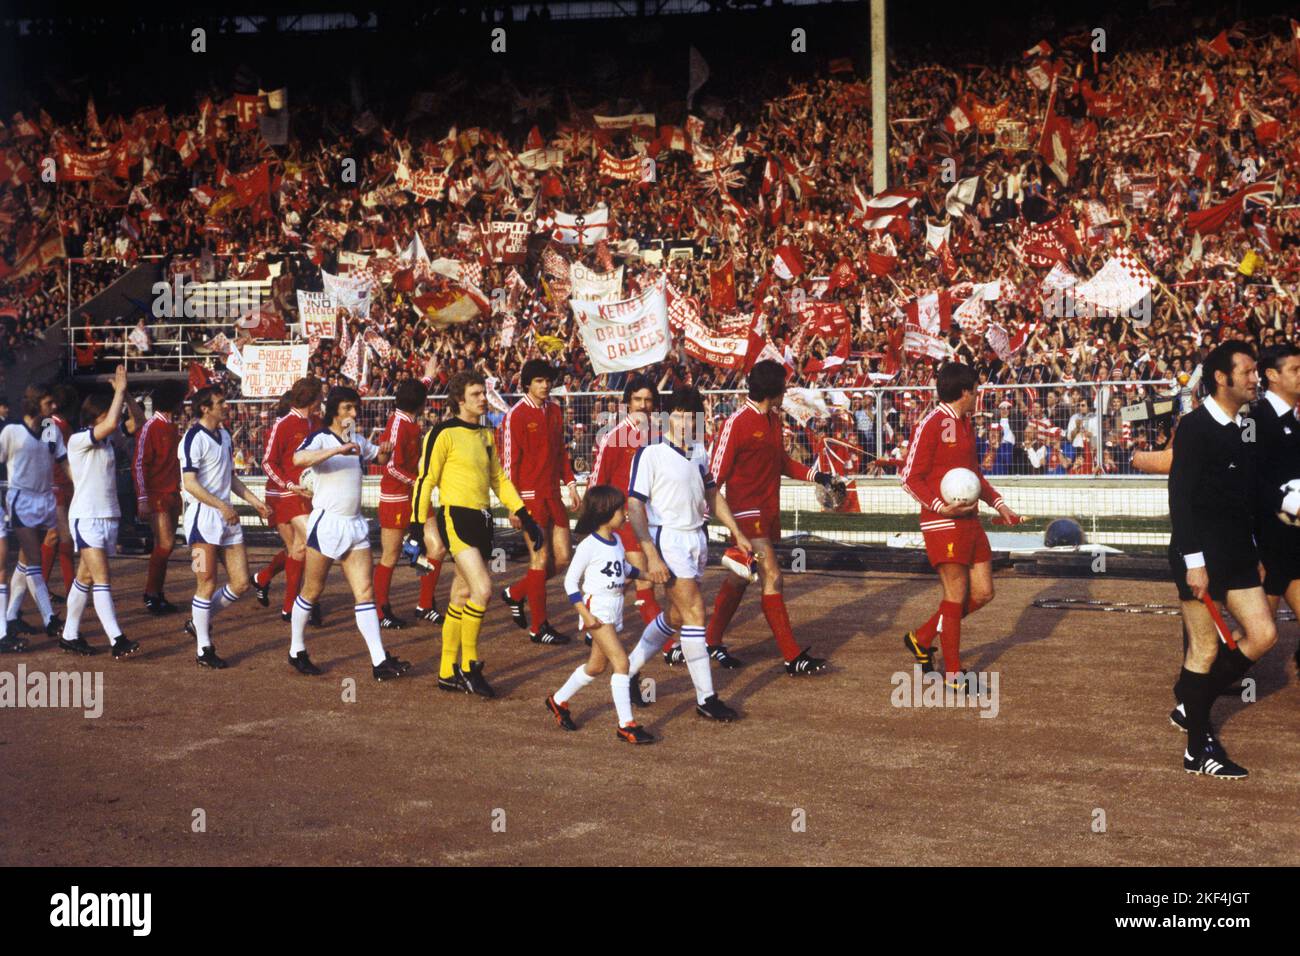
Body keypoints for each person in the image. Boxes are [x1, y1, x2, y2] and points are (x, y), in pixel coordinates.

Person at [1167, 341, 1279, 779]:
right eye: (1248, 371)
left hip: (1237, 554)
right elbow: (1182, 499)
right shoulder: (1194, 427)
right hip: (1199, 557)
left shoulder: (1244, 426)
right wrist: (1194, 562)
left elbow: (1244, 499)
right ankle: (1197, 750)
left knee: (1264, 633)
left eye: (1256, 371)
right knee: (1206, 647)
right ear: (1221, 378)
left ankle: (1192, 704)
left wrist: (1257, 553)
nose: (1256, 378)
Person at [701, 360, 838, 674]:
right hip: (745, 514)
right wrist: (711, 518)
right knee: (772, 576)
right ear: (772, 391)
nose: (787, 391)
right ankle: (792, 656)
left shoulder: (774, 420)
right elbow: (714, 475)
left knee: (738, 578)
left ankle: (711, 640)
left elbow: (782, 463)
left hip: (766, 511)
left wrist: (818, 476)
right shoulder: (737, 422)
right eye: (784, 387)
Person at [411, 370, 543, 697]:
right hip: (456, 518)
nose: (483, 398)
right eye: (476, 394)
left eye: (483, 393)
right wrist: (416, 527)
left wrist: (526, 516)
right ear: (459, 400)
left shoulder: (485, 434)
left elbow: (499, 479)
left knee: (460, 596)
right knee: (482, 590)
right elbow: (424, 480)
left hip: (484, 520)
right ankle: (469, 666)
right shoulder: (442, 433)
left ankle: (446, 672)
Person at [625, 385, 751, 722]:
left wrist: (737, 531)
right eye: (676, 414)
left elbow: (712, 494)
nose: (682, 421)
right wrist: (650, 552)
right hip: (667, 539)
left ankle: (629, 670)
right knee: (696, 611)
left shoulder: (698, 451)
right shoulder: (649, 453)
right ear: (667, 416)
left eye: (688, 415)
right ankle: (706, 698)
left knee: (678, 616)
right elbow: (634, 505)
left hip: (697, 538)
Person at [900, 362, 1021, 688]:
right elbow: (909, 478)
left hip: (970, 521)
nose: (978, 395)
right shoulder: (931, 423)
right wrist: (941, 506)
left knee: (983, 593)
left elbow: (973, 475)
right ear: (964, 392)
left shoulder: (965, 423)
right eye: (976, 390)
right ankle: (953, 673)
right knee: (954, 594)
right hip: (942, 522)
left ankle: (923, 637)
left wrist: (999, 503)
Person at [288, 385, 411, 681]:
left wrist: (383, 452)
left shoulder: (355, 437)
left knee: (365, 592)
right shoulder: (320, 437)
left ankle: (379, 661)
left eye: (355, 408)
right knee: (312, 590)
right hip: (327, 524)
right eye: (347, 408)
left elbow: (378, 459)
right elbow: (297, 459)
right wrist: (336, 449)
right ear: (333, 411)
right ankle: (296, 649)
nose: (354, 413)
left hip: (355, 524)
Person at [545, 484, 654, 744]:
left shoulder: (616, 540)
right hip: (597, 610)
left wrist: (649, 575)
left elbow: (624, 568)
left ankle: (558, 701)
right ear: (606, 512)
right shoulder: (587, 545)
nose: (625, 514)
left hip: (614, 609)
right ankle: (626, 725)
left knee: (596, 666)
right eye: (620, 510)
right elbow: (570, 583)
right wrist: (585, 613)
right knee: (622, 663)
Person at [180, 385, 274, 669]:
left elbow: (230, 478)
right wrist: (221, 506)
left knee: (241, 582)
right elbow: (189, 483)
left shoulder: (223, 436)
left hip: (227, 518)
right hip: (201, 521)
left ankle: (199, 620)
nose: (226, 406)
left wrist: (256, 502)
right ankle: (203, 649)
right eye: (221, 403)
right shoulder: (192, 438)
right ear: (205, 408)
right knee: (205, 583)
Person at [59, 366, 145, 657]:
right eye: (108, 410)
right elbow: (109, 425)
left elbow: (138, 422)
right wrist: (118, 392)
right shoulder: (79, 439)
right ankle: (117, 639)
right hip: (86, 517)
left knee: (84, 578)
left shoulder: (108, 439)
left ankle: (69, 635)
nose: (114, 414)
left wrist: (127, 394)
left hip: (107, 516)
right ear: (95, 414)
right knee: (102, 578)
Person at [499, 359, 578, 646]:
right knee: (540, 558)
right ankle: (539, 627)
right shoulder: (515, 416)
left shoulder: (555, 410)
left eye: (547, 381)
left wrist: (570, 484)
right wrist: (513, 504)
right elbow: (509, 464)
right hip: (529, 499)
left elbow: (560, 453)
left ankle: (516, 593)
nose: (545, 386)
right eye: (539, 381)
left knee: (563, 558)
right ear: (527, 384)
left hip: (553, 495)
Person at [588, 374, 662, 632]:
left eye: (648, 400)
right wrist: (600, 521)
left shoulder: (660, 436)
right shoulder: (614, 436)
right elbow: (597, 482)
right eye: (638, 399)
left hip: (655, 519)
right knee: (645, 580)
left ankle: (594, 616)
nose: (643, 405)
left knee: (625, 577)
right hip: (625, 520)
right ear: (628, 402)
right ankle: (667, 646)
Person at [1247, 343, 1300, 676]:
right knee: (1259, 635)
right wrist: (1286, 501)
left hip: (1291, 545)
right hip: (1270, 547)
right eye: (1295, 370)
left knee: (1259, 634)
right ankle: (1194, 693)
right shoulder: (1257, 420)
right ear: (1271, 375)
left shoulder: (1293, 421)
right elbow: (1248, 481)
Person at [2, 383, 70, 640]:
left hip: (44, 500)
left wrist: (81, 484)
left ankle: (10, 617)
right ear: (34, 403)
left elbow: (62, 461)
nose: (53, 407)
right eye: (48, 403)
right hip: (21, 501)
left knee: (25, 561)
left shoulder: (50, 429)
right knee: (34, 560)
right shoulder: (12, 431)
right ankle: (49, 617)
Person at [255, 377, 323, 624]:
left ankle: (271, 585)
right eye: (320, 396)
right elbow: (267, 462)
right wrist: (287, 484)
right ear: (313, 398)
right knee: (306, 545)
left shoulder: (317, 422)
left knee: (298, 548)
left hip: (310, 493)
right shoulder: (283, 424)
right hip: (287, 494)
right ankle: (298, 604)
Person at [373, 375, 432, 630]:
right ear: (420, 404)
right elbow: (392, 468)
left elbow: (417, 391)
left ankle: (425, 605)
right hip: (397, 496)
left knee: (436, 546)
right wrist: (419, 481)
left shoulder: (408, 420)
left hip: (412, 494)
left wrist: (428, 375)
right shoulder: (399, 424)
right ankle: (379, 609)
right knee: (390, 555)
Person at [134, 379, 187, 614]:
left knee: (165, 546)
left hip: (172, 493)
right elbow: (139, 464)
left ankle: (158, 593)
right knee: (165, 544)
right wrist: (142, 498)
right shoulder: (151, 426)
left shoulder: (172, 427)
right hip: (157, 495)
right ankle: (150, 592)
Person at [41, 383, 79, 604]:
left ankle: (50, 586)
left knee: (57, 538)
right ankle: (67, 588)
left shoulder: (62, 424)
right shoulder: (51, 423)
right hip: (55, 487)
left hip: (64, 485)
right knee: (60, 536)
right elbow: (46, 457)